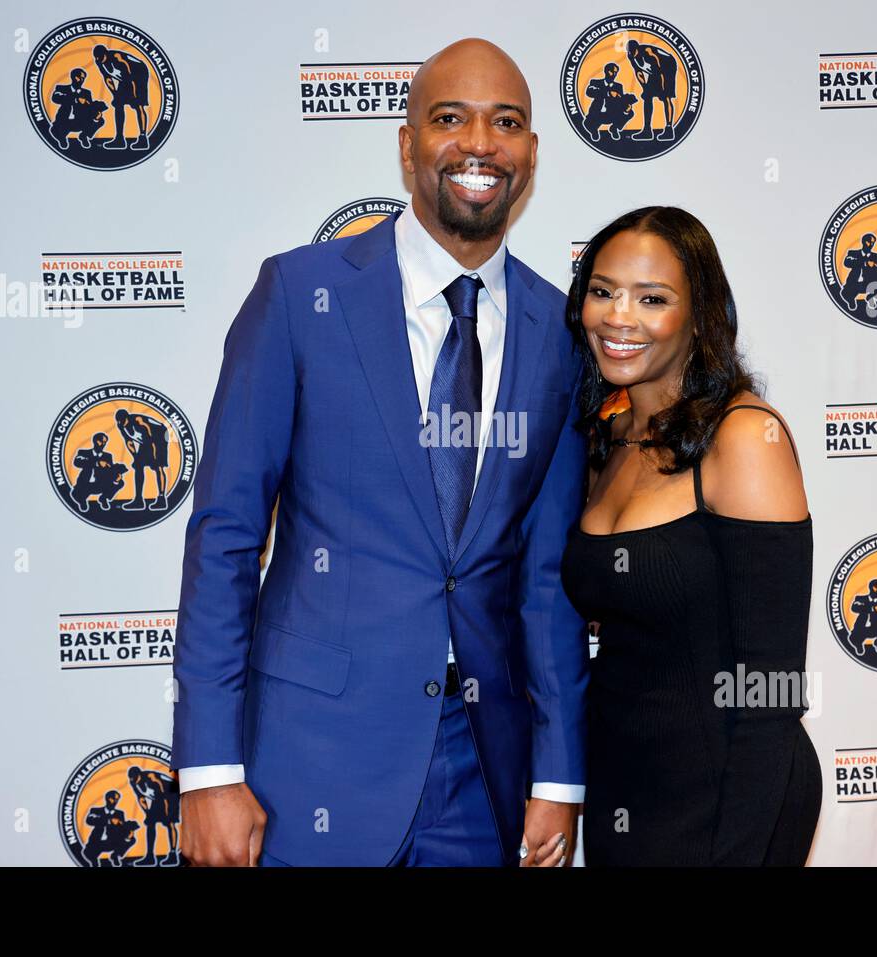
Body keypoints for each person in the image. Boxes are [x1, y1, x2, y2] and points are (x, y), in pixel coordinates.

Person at [171, 38, 588, 867]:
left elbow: (547, 581)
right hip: (306, 763)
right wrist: (208, 769)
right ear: (406, 146)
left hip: (484, 777)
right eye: (449, 119)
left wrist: (559, 775)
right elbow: (224, 537)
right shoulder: (299, 295)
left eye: (505, 122)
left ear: (532, 154)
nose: (479, 143)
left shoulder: (558, 334)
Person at [560, 206, 821, 865]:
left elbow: (771, 691)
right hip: (629, 787)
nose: (619, 316)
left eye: (652, 298)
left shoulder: (743, 439)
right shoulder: (607, 438)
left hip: (732, 791)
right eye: (602, 291)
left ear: (701, 314)